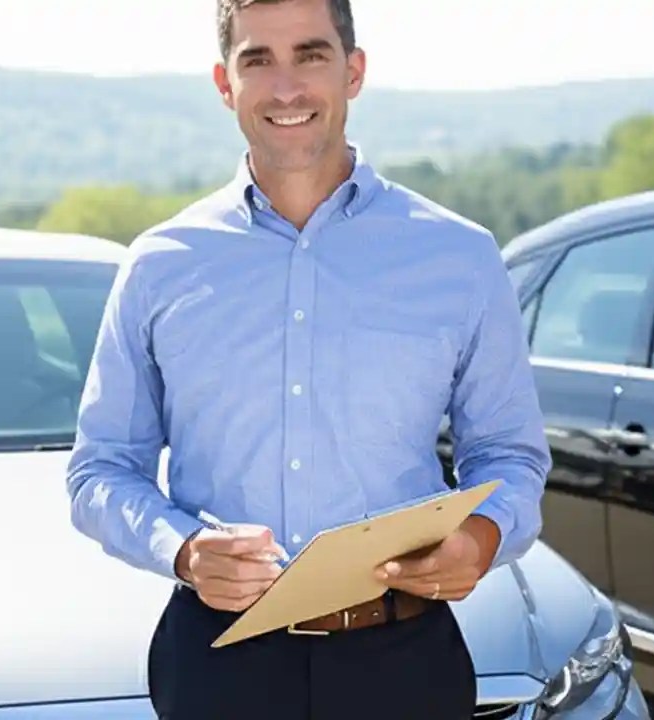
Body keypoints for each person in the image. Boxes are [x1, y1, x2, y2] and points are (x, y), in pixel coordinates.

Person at [64, 0, 551, 717]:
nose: (286, 88)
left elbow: (511, 456)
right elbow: (99, 471)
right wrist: (183, 548)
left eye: (311, 55)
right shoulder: (158, 267)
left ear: (353, 71)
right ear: (225, 84)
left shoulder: (460, 257)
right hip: (217, 666)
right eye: (258, 59)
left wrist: (481, 538)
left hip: (404, 665)